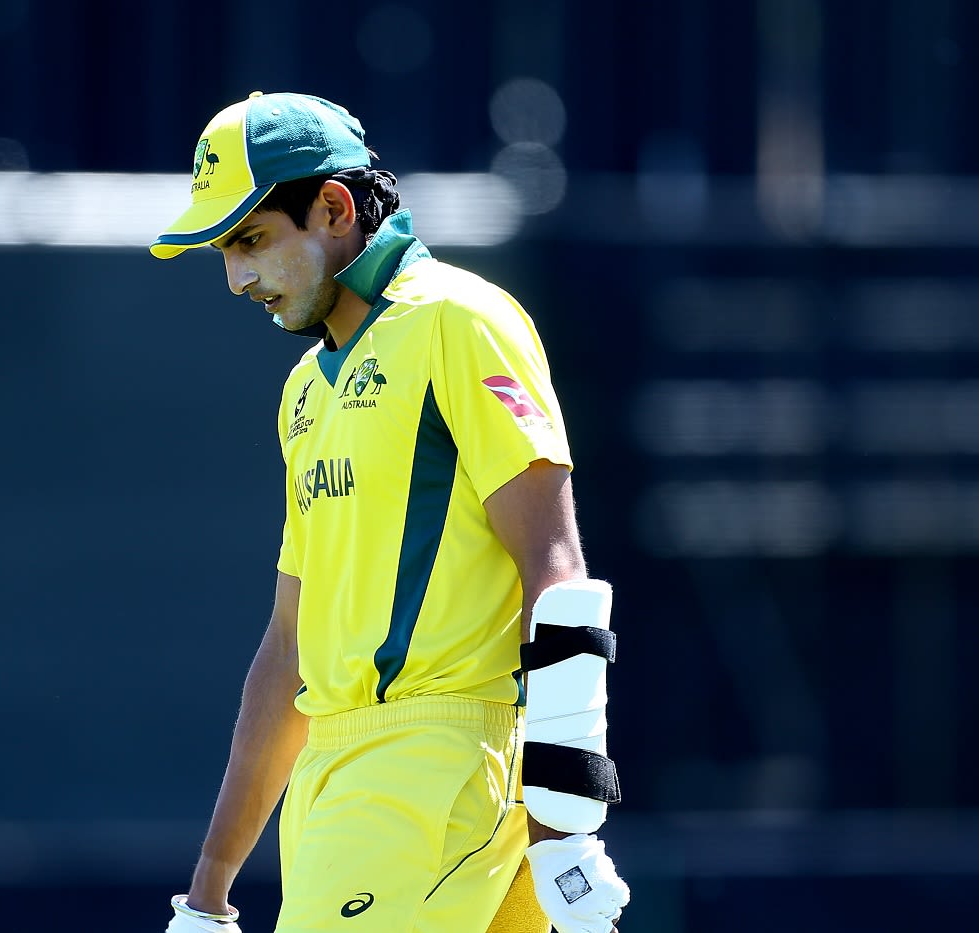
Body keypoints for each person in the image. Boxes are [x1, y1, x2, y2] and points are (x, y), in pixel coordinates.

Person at [150, 91, 630, 933]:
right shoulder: (305, 391)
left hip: (427, 782)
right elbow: (290, 648)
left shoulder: (459, 319)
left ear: (335, 208)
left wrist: (565, 826)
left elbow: (557, 575)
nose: (237, 279)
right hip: (346, 789)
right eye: (225, 252)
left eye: (252, 240)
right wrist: (210, 889)